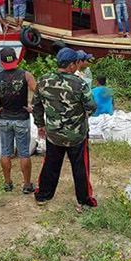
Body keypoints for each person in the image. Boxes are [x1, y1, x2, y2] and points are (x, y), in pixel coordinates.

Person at [32, 47, 98, 210]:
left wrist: (40, 124)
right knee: (80, 167)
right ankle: (85, 201)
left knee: (51, 165)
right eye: (76, 62)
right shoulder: (79, 84)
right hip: (76, 135)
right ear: (71, 65)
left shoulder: (44, 81)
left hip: (53, 133)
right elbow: (91, 107)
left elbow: (36, 105)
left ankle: (43, 196)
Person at [0, 47, 38, 193]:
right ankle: (27, 185)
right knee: (24, 153)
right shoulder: (26, 75)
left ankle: (8, 183)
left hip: (4, 119)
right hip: (21, 119)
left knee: (6, 152)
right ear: (16, 59)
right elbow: (40, 94)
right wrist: (32, 107)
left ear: (1, 62)